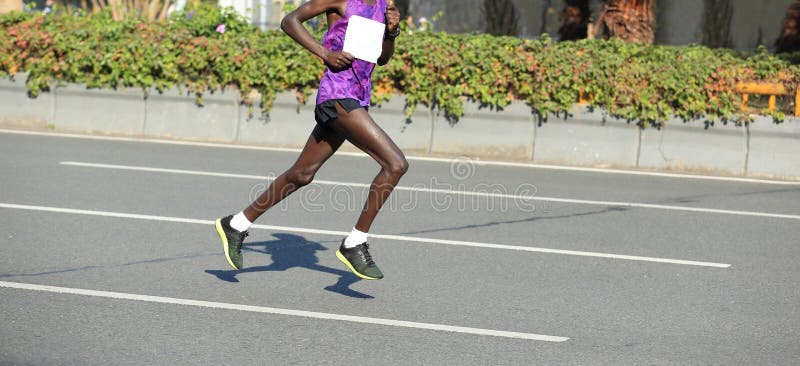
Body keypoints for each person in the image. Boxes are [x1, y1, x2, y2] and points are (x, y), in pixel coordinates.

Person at [215, 0, 406, 280]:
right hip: (338, 95)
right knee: (396, 164)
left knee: (302, 174)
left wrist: (391, 31)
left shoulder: (381, 6)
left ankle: (236, 223)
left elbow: (382, 58)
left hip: (357, 99)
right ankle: (355, 242)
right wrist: (324, 53)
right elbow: (290, 21)